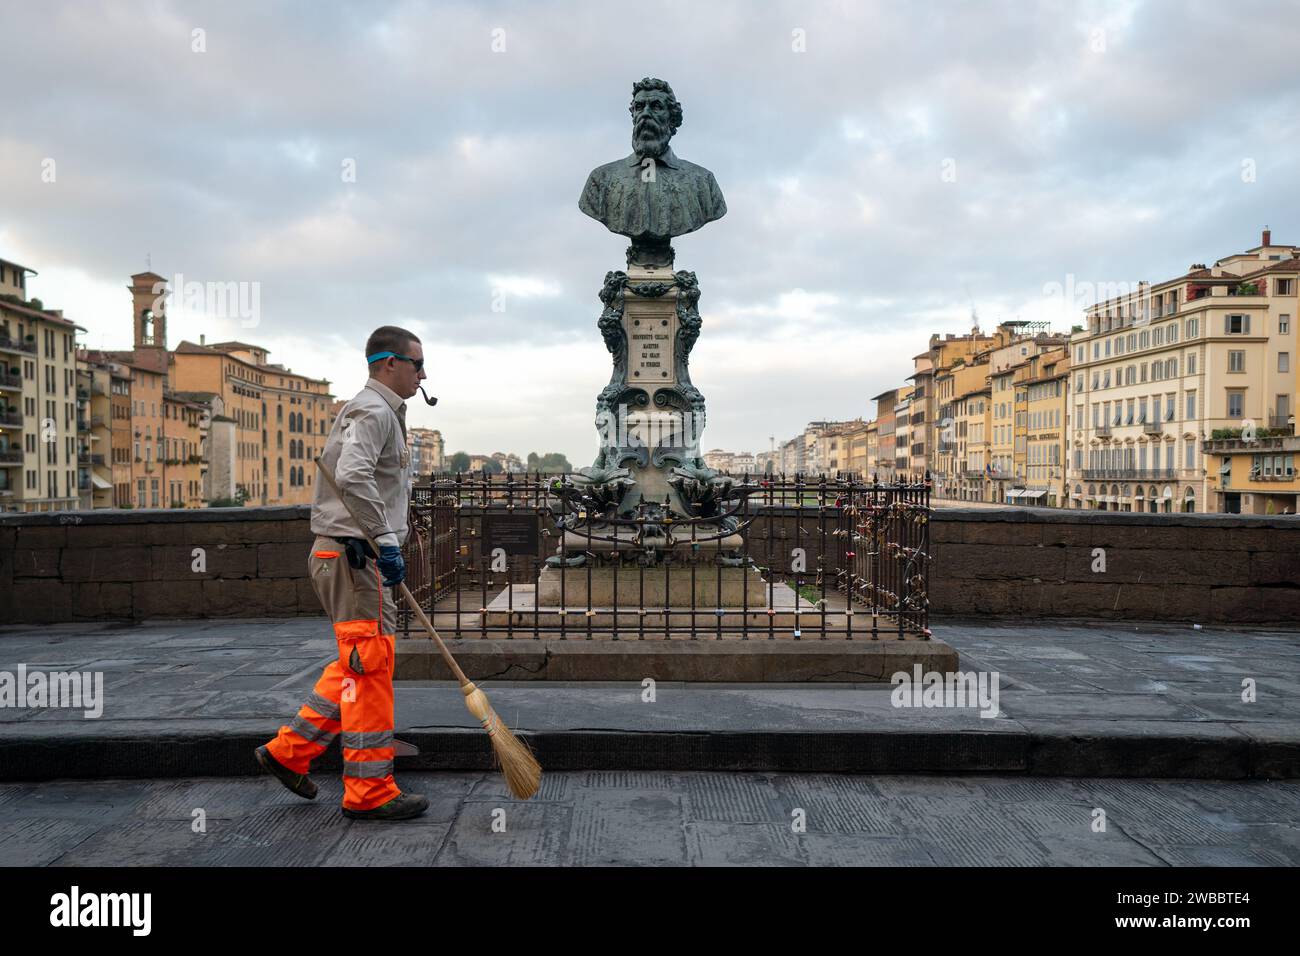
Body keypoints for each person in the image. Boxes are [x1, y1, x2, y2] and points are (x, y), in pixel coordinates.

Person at [255, 326, 429, 820]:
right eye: (417, 364)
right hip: (356, 556)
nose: (423, 374)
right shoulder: (373, 411)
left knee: (360, 663)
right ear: (388, 363)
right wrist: (387, 538)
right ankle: (369, 792)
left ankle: (289, 752)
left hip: (352, 555)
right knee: (369, 669)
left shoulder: (377, 411)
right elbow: (352, 476)